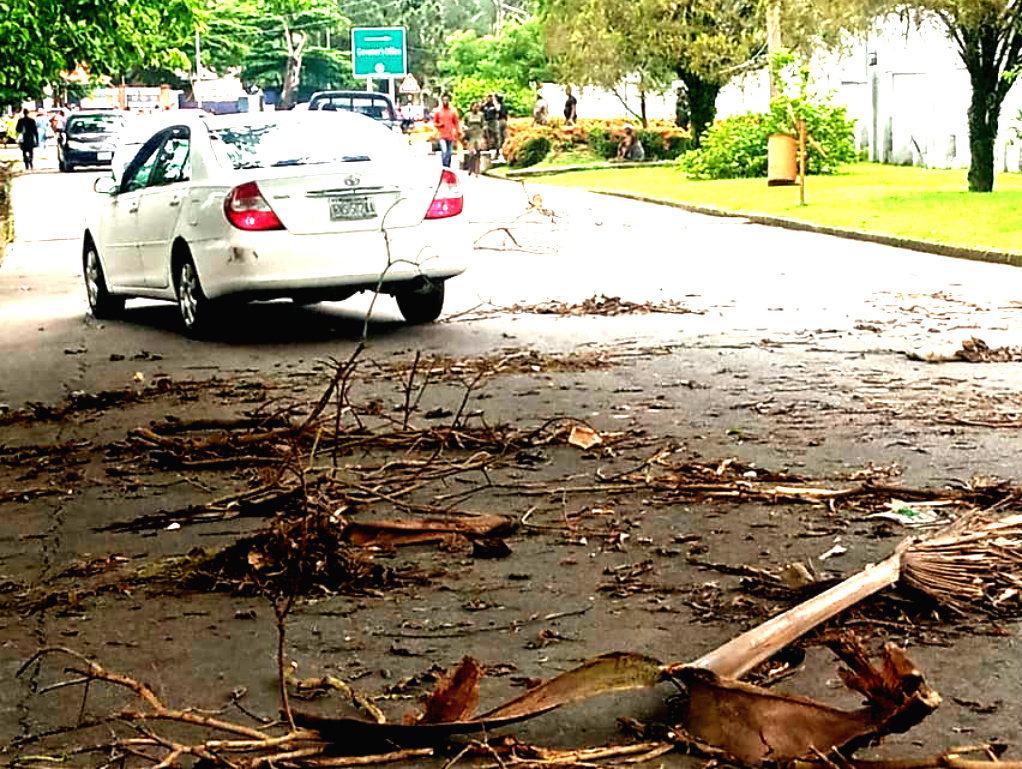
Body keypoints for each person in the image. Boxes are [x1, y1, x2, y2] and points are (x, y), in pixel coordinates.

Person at [431, 93, 460, 168]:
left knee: (449, 152)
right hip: (441, 135)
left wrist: (457, 132)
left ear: (449, 101)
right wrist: (439, 125)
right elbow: (434, 123)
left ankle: (448, 166)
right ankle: (444, 166)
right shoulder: (438, 111)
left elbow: (456, 123)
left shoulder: (453, 111)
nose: (445, 102)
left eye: (447, 100)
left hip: (450, 135)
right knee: (444, 151)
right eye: (444, 100)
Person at [462, 101, 485, 176]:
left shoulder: (481, 115)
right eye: (474, 106)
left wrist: (483, 134)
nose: (476, 108)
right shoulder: (468, 115)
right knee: (471, 153)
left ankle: (477, 171)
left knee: (478, 153)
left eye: (477, 107)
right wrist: (465, 129)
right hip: (470, 135)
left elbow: (483, 124)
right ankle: (470, 168)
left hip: (478, 135)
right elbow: (464, 124)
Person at [495, 93, 508, 158]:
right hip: (504, 121)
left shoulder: (498, 105)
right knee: (505, 137)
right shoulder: (504, 106)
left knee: (499, 138)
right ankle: (505, 151)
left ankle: (497, 153)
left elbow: (498, 111)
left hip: (500, 121)